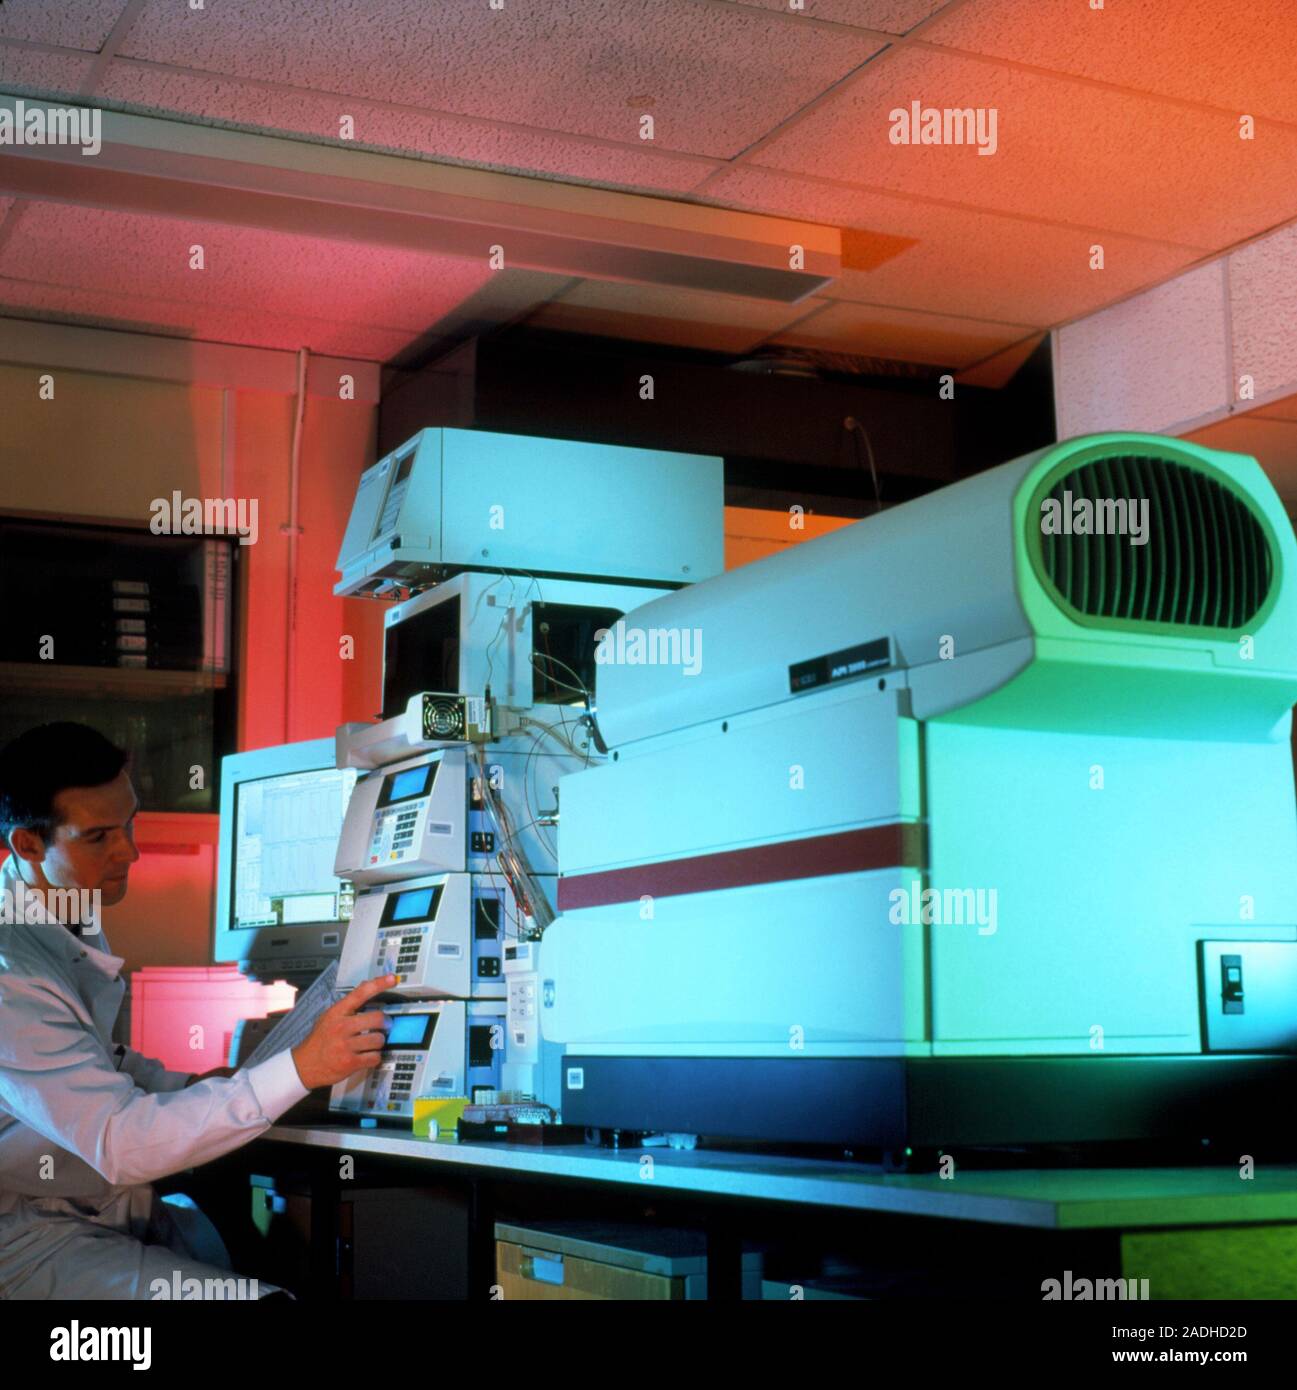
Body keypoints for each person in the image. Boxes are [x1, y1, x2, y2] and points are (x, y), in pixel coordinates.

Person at [0, 722, 393, 1300]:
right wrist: (299, 1070)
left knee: (269, 1253)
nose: (128, 851)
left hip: (95, 1210)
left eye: (129, 823)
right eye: (99, 836)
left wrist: (199, 1083)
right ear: (28, 846)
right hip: (32, 1243)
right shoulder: (12, 973)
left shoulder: (59, 910)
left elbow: (95, 1061)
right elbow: (120, 1139)